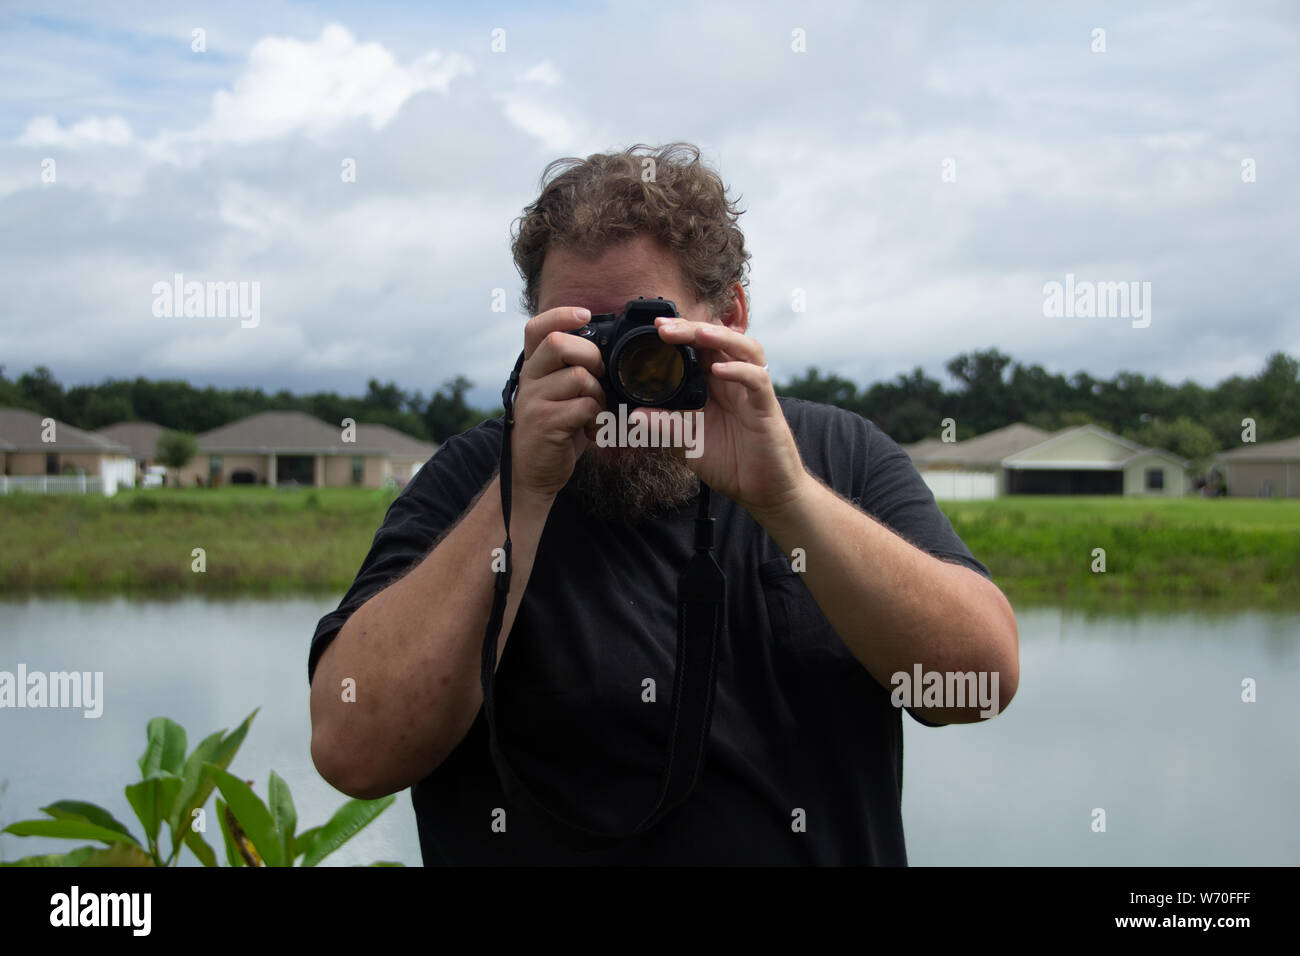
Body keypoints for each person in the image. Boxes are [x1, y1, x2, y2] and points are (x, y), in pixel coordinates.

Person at [307, 142, 1019, 864]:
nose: (617, 368)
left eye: (644, 334)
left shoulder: (837, 457)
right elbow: (353, 754)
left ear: (731, 314)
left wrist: (789, 500)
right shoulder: (475, 480)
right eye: (581, 333)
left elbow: (979, 686)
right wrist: (521, 494)